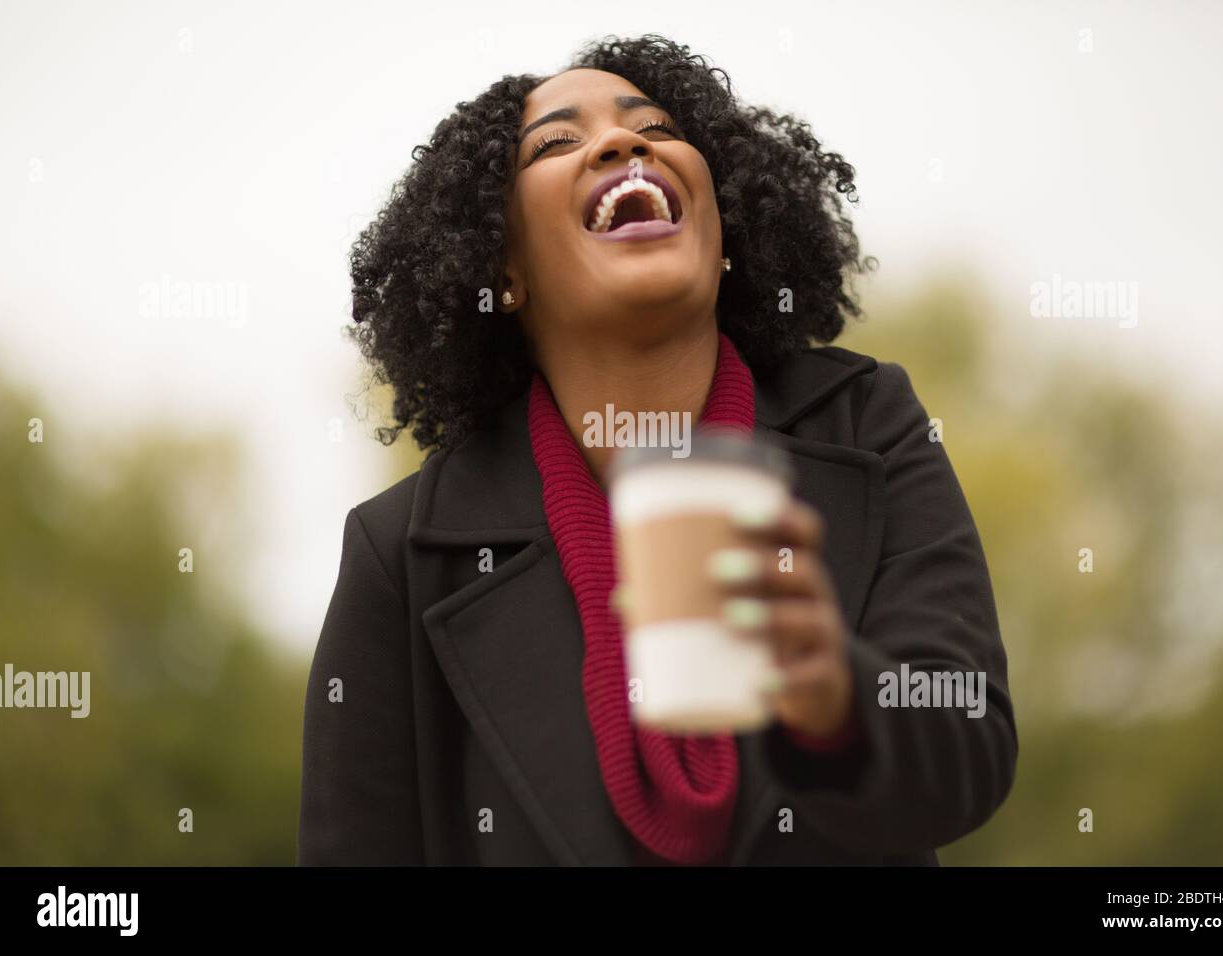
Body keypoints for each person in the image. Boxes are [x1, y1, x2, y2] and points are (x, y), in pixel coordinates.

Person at [297, 33, 1017, 866]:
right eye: (558, 142)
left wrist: (836, 695)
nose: (620, 142)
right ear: (504, 266)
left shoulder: (868, 425)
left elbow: (971, 751)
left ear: (726, 227)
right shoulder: (401, 555)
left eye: (657, 127)